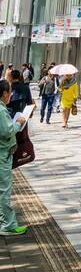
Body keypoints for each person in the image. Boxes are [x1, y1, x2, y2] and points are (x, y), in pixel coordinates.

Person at [0, 79, 28, 234]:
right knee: (4, 190)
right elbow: (7, 132)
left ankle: (4, 221)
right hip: (2, 155)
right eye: (9, 92)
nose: (10, 94)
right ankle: (8, 225)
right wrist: (18, 123)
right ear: (5, 94)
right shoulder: (1, 110)